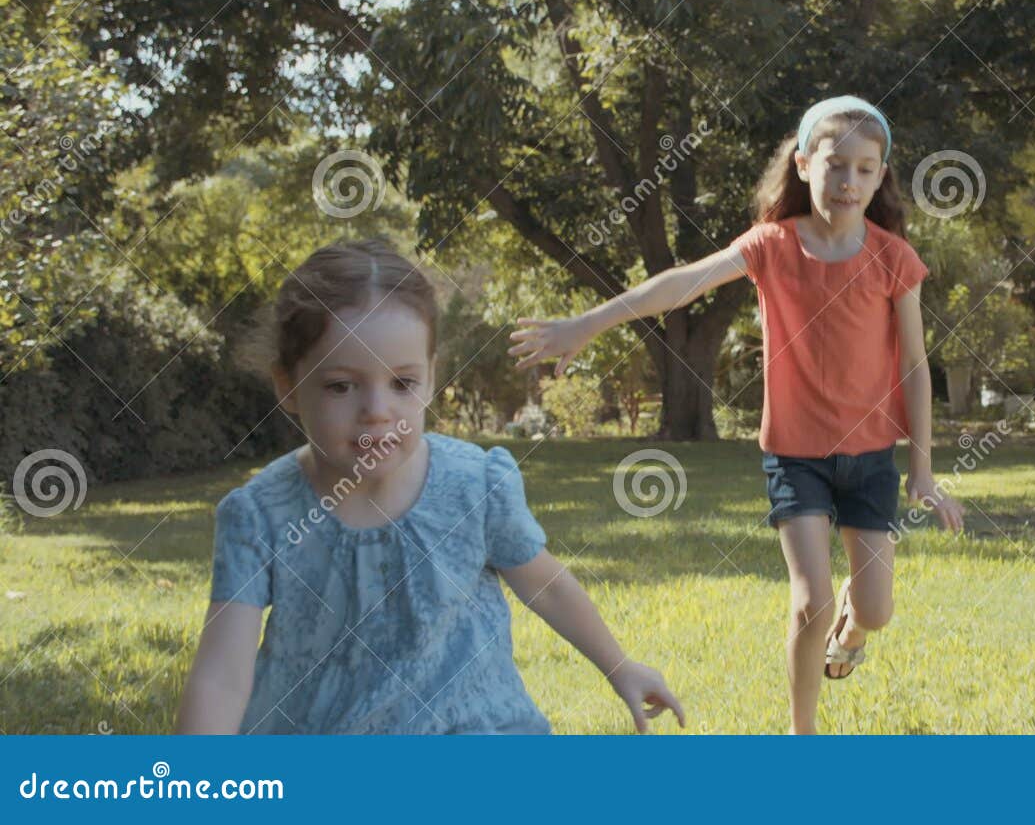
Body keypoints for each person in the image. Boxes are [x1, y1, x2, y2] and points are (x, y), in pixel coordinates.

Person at [509, 96, 965, 734]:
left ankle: (854, 630)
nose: (849, 182)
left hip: (868, 458)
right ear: (804, 165)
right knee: (809, 601)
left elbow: (915, 367)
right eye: (835, 165)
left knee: (877, 609)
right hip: (795, 454)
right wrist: (588, 324)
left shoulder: (893, 260)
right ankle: (800, 739)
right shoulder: (771, 245)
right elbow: (681, 282)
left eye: (866, 170)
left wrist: (921, 469)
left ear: (880, 177)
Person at [176, 239, 682, 734]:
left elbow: (545, 587)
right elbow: (223, 676)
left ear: (431, 377)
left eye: (402, 383)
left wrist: (619, 666)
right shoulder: (262, 516)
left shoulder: (472, 487)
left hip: (471, 728)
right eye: (340, 386)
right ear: (288, 385)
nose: (377, 410)